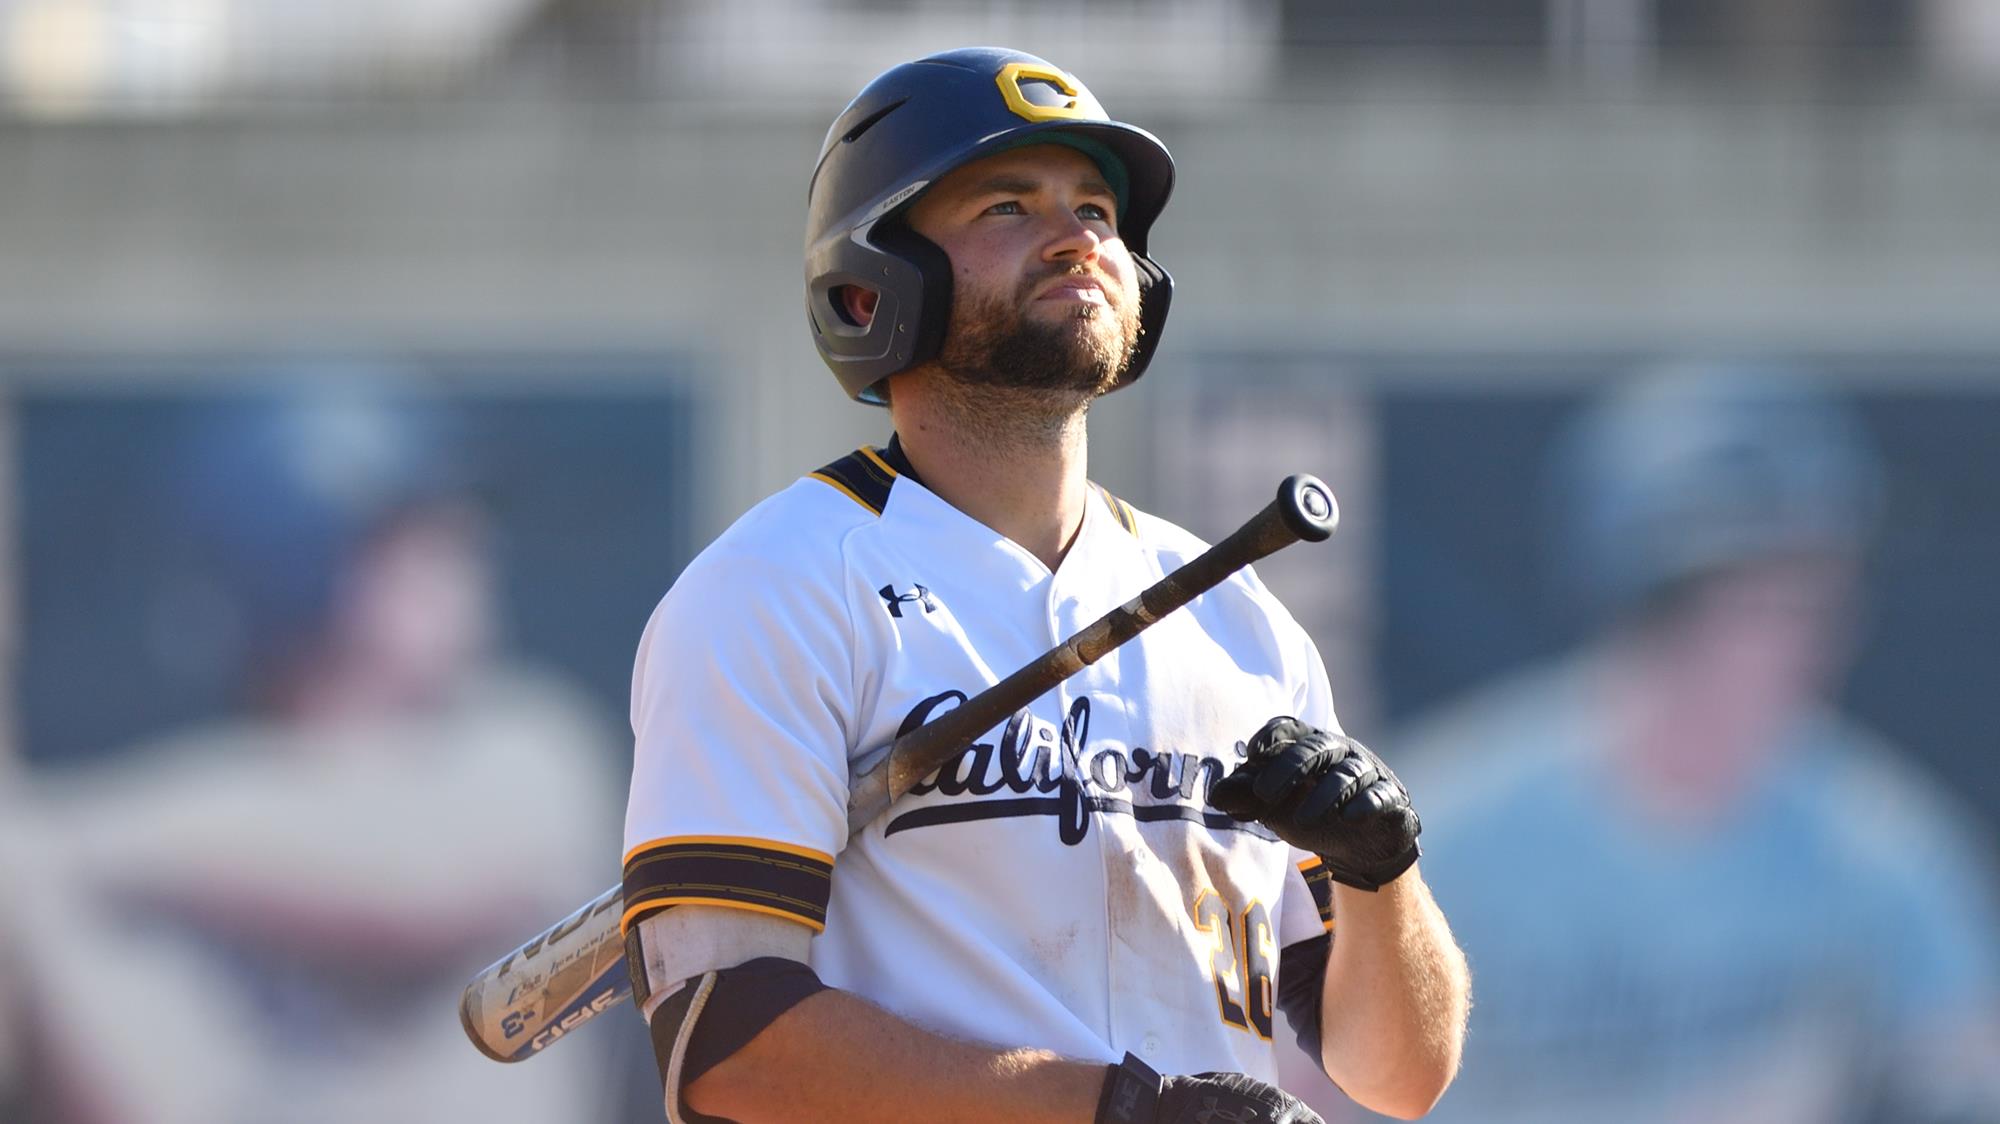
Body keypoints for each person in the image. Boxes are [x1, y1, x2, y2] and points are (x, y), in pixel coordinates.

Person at [619, 47, 1469, 1124]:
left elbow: (1398, 1073)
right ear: (870, 282)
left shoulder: (1234, 619)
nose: (1078, 238)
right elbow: (725, 1045)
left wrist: (1380, 872)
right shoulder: (772, 587)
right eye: (1008, 206)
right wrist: (1115, 1108)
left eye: (1099, 212)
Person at [1343, 365, 2000, 1123]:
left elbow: (1966, 1066)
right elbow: (1302, 1068)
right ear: (1656, 598)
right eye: (1775, 603)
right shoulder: (1436, 834)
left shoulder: (1882, 848)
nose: (1821, 639)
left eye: (1826, 598)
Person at [3, 386, 628, 1123]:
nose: (466, 552)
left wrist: (42, 837)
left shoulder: (528, 743)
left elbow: (415, 872)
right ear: (291, 556)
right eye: (411, 534)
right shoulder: (148, 870)